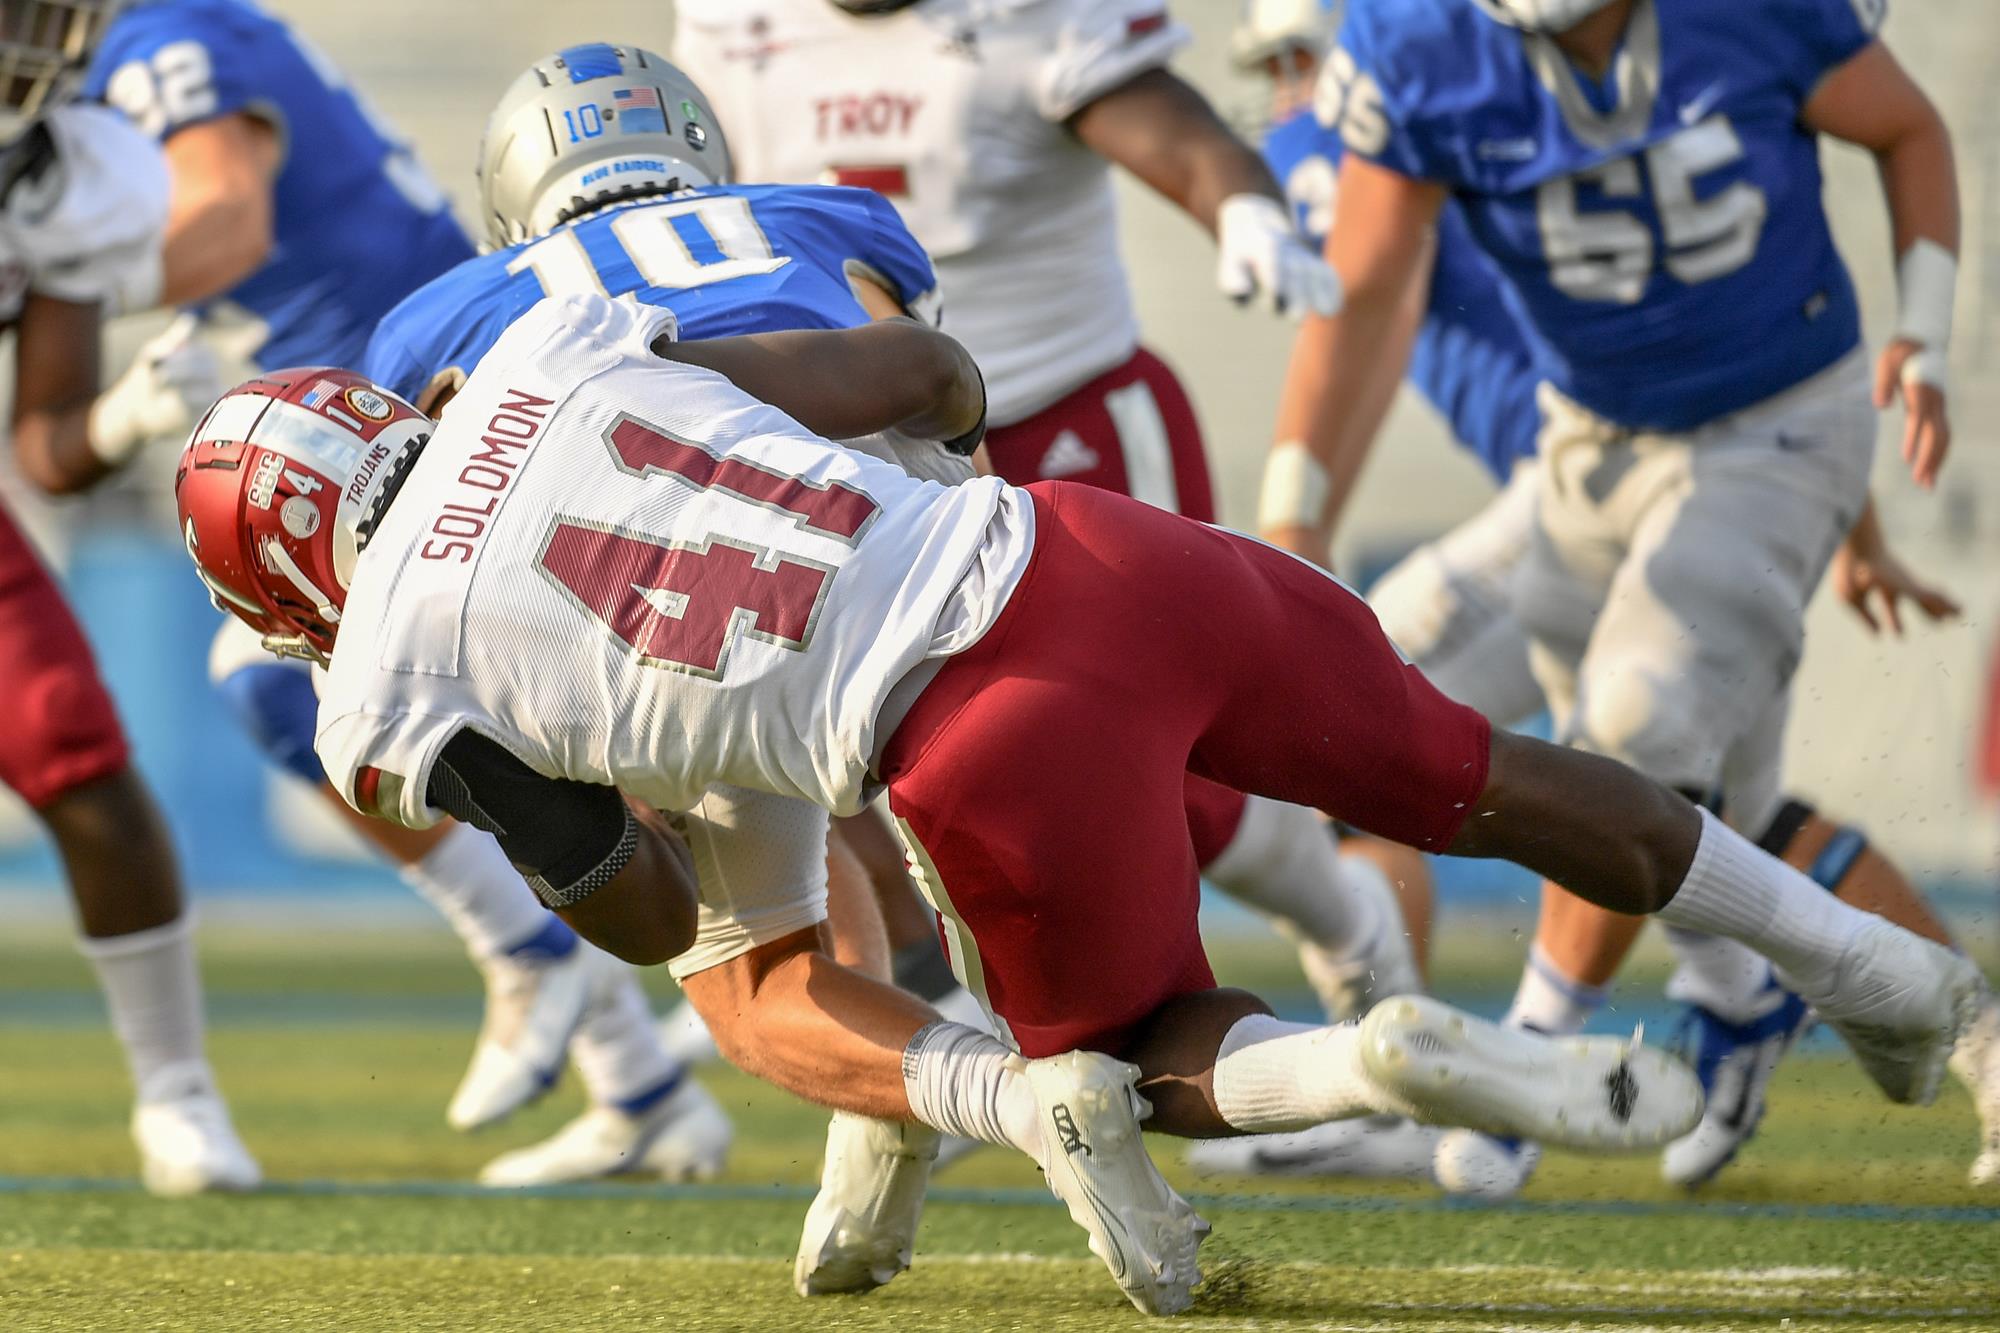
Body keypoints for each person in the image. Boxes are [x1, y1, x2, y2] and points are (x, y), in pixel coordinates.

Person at [176, 291, 1975, 1314]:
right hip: (1094, 551)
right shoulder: (544, 351)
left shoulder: (383, 676)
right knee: (1479, 773)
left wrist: (578, 782)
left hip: (970, 731)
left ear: (290, 589)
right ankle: (1880, 973)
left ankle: (1383, 1058)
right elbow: (924, 379)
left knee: (1129, 1057)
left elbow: (645, 914)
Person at [1212, 0, 2000, 1195]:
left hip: (1736, 444)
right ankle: (1752, 1000)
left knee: (1608, 738)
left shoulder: (1713, 30)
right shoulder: (1417, 56)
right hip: (1587, 453)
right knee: (1704, 804)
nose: (1285, 98)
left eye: (1292, 64)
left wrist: (1875, 433)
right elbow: (1366, 294)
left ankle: (1516, 1067)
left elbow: (1847, 199)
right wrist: (1292, 527)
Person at [674, 0, 1430, 1048]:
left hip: (1069, 421)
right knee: (945, 766)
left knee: (1181, 771)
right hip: (886, 458)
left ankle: (1351, 938)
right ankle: (997, 1035)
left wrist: (1242, 204)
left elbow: (1181, 137)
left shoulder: (1026, 18)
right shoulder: (731, 23)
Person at [82, 3, 723, 1181]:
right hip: (384, 384)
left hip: (404, 392)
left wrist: (55, 268)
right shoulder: (147, 53)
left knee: (285, 684)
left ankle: (535, 950)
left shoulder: (162, 35)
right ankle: (638, 1082)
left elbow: (223, 216)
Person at [0, 0, 254, 1196]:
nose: (30, 32)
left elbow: (46, 447)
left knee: (70, 741)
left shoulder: (69, 168)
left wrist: (123, 416)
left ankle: (176, 1090)